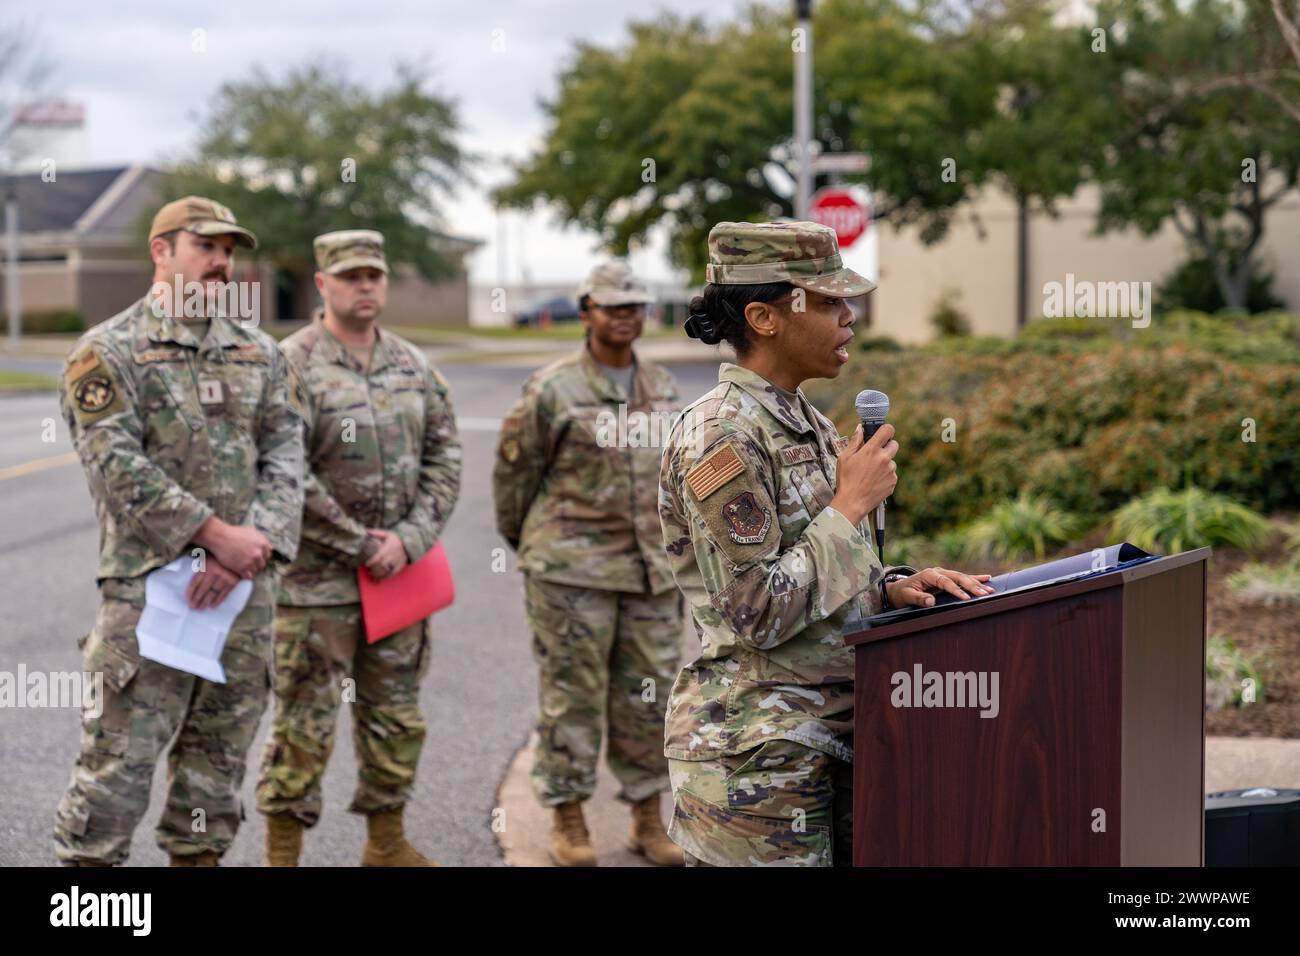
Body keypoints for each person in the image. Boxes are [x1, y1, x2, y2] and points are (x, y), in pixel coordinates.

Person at [658, 221, 993, 866]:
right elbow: (755, 611)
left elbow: (812, 566)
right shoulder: (721, 437)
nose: (851, 316)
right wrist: (849, 506)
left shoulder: (802, 418)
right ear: (763, 317)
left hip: (826, 736)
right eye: (830, 301)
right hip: (758, 764)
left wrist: (889, 585)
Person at [53, 196, 304, 866]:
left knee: (213, 779)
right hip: (148, 602)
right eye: (206, 246)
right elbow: (116, 467)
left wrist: (253, 546)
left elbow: (287, 455)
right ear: (161, 251)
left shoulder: (260, 354)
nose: (222, 262)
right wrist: (214, 534)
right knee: (114, 781)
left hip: (242, 601)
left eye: (229, 250)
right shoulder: (107, 353)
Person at [256, 230, 462, 867]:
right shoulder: (288, 364)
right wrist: (355, 542)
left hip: (400, 575)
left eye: (374, 274)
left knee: (396, 717)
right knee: (302, 727)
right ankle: (283, 855)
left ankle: (386, 842)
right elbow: (280, 465)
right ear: (322, 284)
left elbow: (445, 454)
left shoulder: (412, 364)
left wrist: (408, 539)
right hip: (317, 585)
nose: (365, 285)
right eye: (350, 276)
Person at [493, 261, 685, 866]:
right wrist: (538, 544)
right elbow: (515, 478)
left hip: (651, 572)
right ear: (587, 312)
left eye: (634, 305)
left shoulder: (662, 386)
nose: (625, 316)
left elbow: (676, 478)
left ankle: (646, 819)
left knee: (650, 698)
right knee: (571, 697)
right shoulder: (552, 388)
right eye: (612, 306)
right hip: (572, 573)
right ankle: (569, 818)